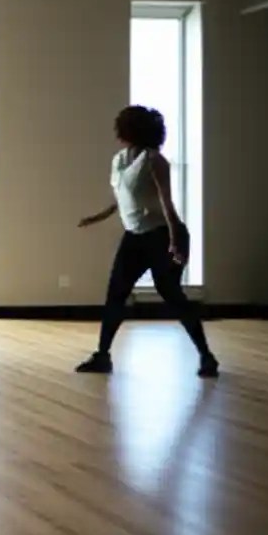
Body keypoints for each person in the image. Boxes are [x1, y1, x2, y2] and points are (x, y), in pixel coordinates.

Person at [75, 105, 218, 377]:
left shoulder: (155, 160)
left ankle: (206, 356)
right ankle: (102, 355)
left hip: (161, 235)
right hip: (134, 237)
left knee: (171, 294)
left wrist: (175, 241)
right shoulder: (119, 160)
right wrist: (96, 217)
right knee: (115, 293)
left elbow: (166, 202)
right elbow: (121, 199)